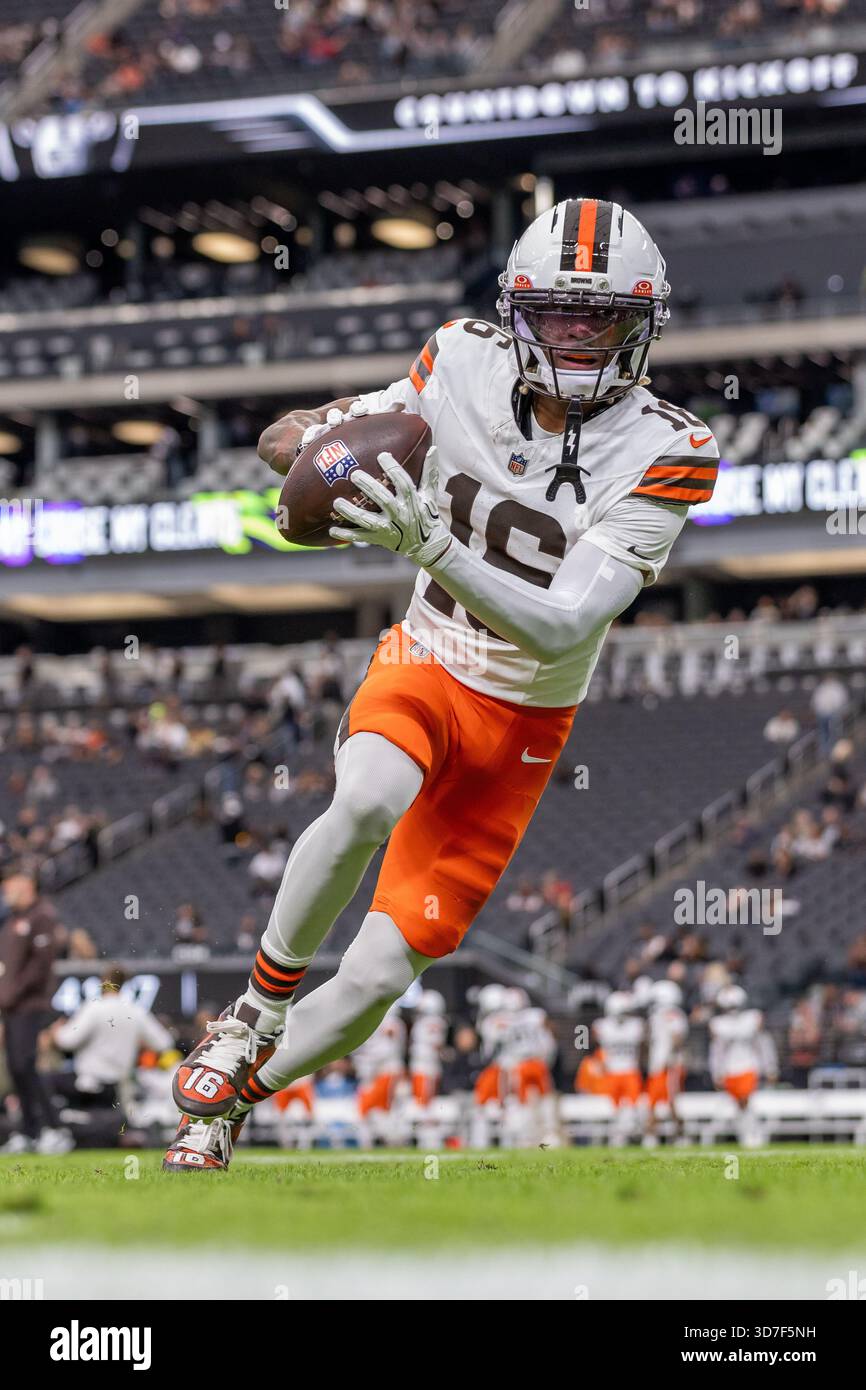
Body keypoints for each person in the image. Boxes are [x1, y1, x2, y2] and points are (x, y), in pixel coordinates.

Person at [163, 196, 720, 1171]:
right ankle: (251, 1010)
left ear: (643, 328)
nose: (575, 340)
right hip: (426, 658)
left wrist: (431, 541)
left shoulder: (671, 448)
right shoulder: (456, 356)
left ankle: (226, 1106)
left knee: (379, 975)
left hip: (523, 719)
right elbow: (299, 439)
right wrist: (310, 442)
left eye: (599, 320)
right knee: (369, 792)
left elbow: (563, 621)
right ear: (512, 312)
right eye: (554, 315)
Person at [44, 966, 175, 1120]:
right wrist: (139, 1041)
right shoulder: (135, 1011)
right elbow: (164, 1042)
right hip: (118, 1088)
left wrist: (55, 1032)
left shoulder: (94, 1008)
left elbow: (67, 1041)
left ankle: (50, 1129)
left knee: (44, 1081)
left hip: (90, 1084)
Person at [0, 872, 70, 1154]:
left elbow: (39, 967)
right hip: (11, 1006)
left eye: (9, 887)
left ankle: (54, 1129)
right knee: (17, 1067)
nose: (5, 892)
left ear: (26, 886)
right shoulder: (12, 921)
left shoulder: (41, 916)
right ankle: (30, 1131)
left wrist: (10, 993)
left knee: (26, 1065)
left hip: (28, 1006)